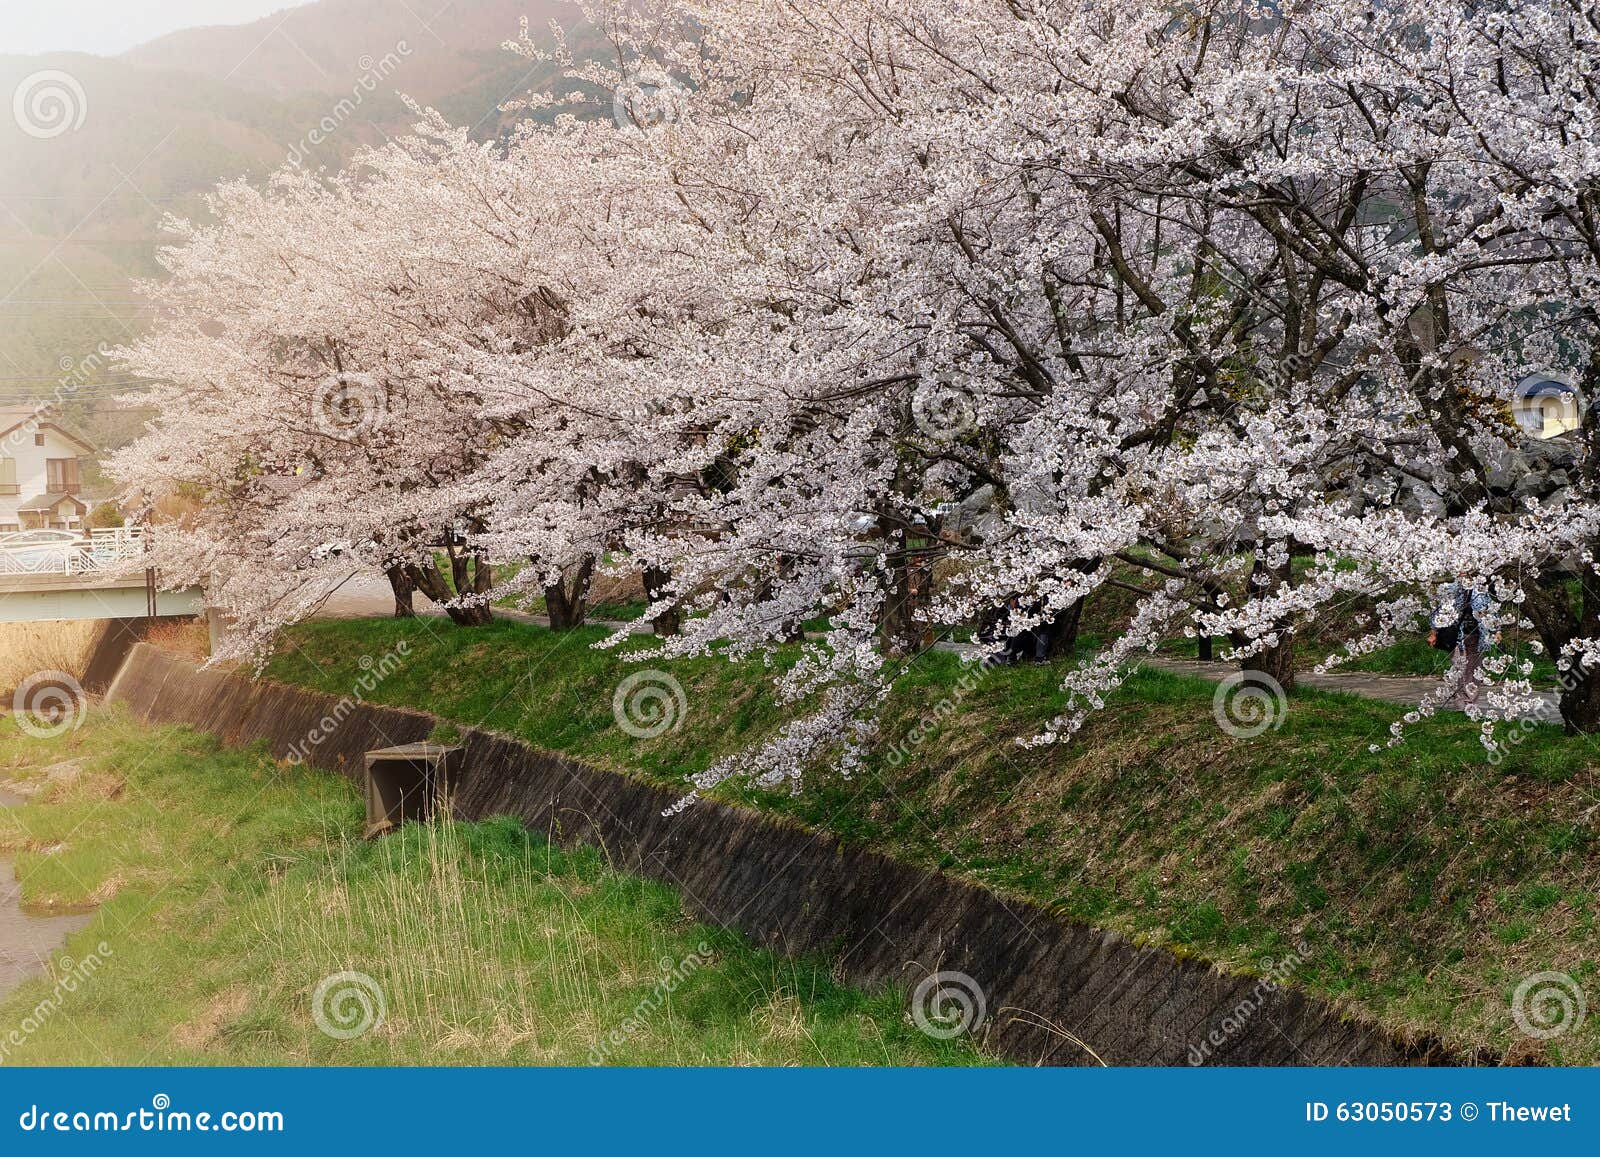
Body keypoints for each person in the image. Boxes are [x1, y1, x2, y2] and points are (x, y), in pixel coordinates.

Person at [1431, 576, 1494, 707]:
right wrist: (1434, 632)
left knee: (1474, 668)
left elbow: (1491, 610)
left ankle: (1470, 701)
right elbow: (1438, 611)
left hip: (1478, 634)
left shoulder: (1481, 590)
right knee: (1458, 666)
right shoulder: (1450, 589)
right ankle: (1459, 701)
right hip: (1456, 635)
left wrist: (1496, 630)